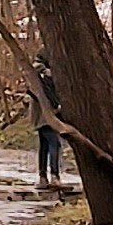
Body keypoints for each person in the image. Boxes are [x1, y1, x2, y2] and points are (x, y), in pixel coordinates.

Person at [34, 59, 65, 189]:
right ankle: (54, 175)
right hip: (47, 116)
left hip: (41, 117)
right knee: (54, 144)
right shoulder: (44, 78)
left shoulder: (37, 79)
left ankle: (43, 177)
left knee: (44, 146)